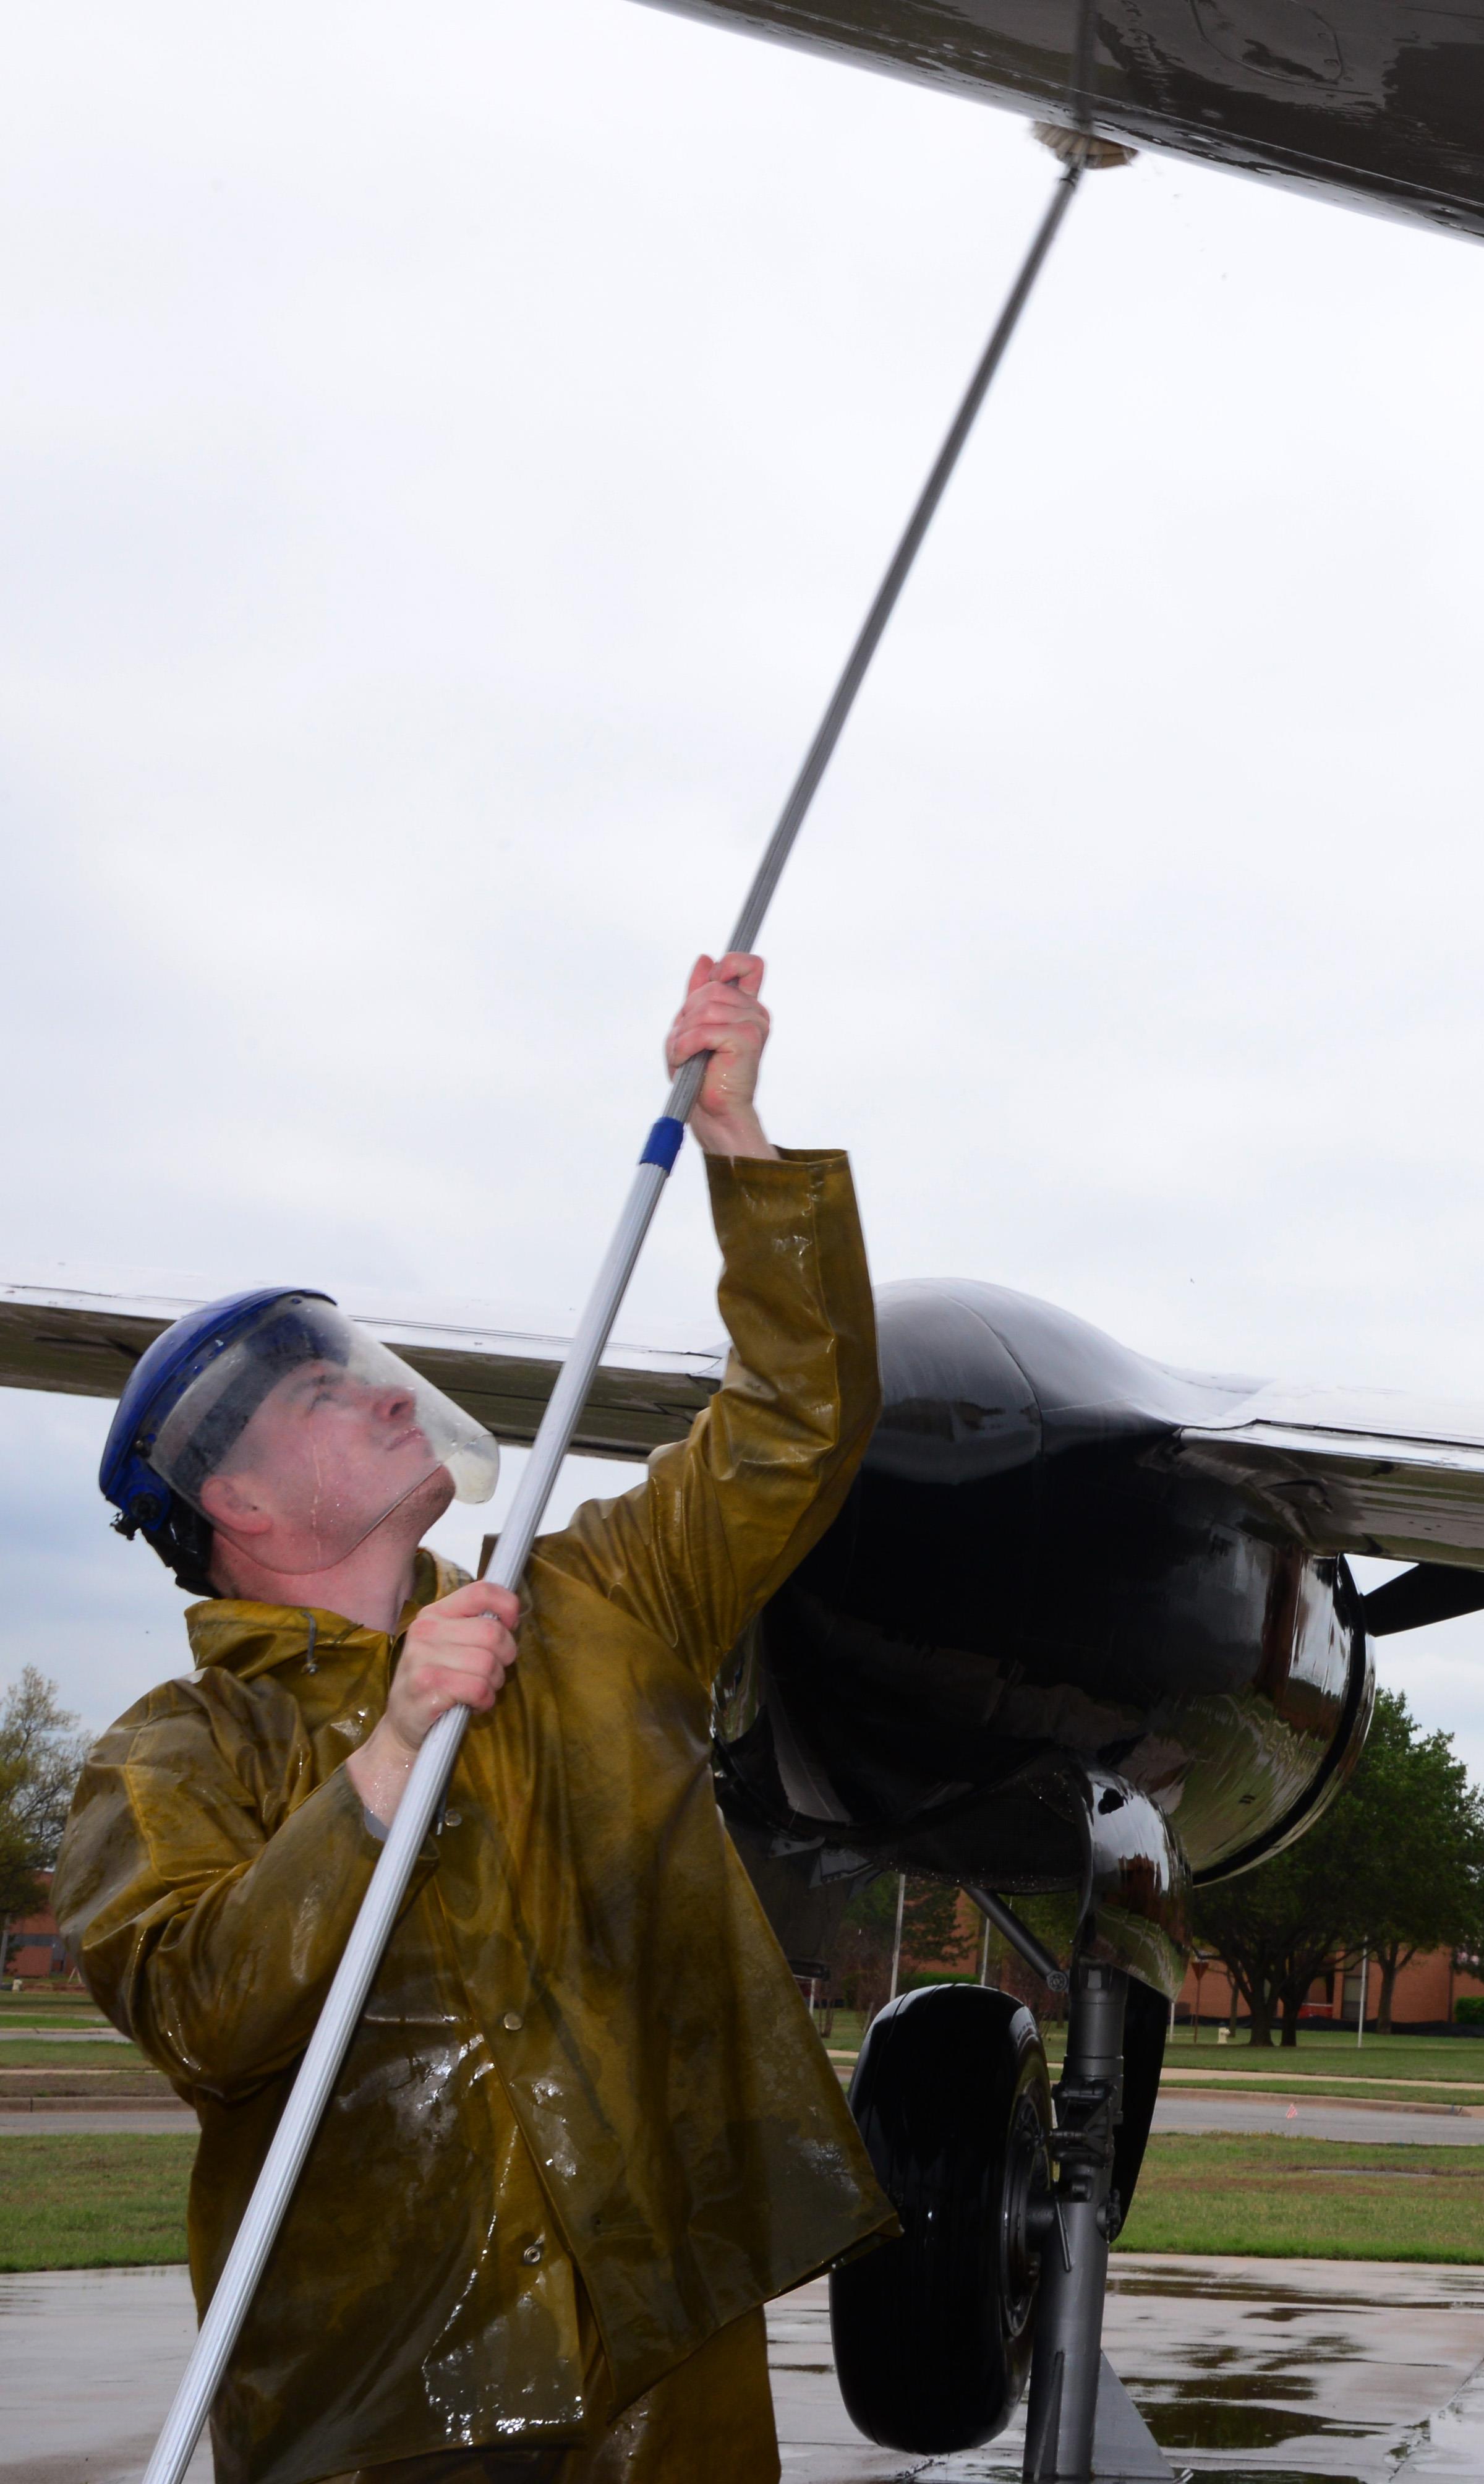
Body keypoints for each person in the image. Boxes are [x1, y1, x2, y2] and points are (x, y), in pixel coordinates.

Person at [58, 956, 893, 2484]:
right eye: (320, 1394)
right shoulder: (171, 1753)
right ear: (235, 1499)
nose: (383, 1393)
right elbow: (199, 2009)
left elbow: (800, 1418)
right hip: (383, 2407)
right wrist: (381, 1764)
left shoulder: (598, 1604)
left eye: (359, 1367)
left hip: (669, 2366)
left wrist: (740, 1145)